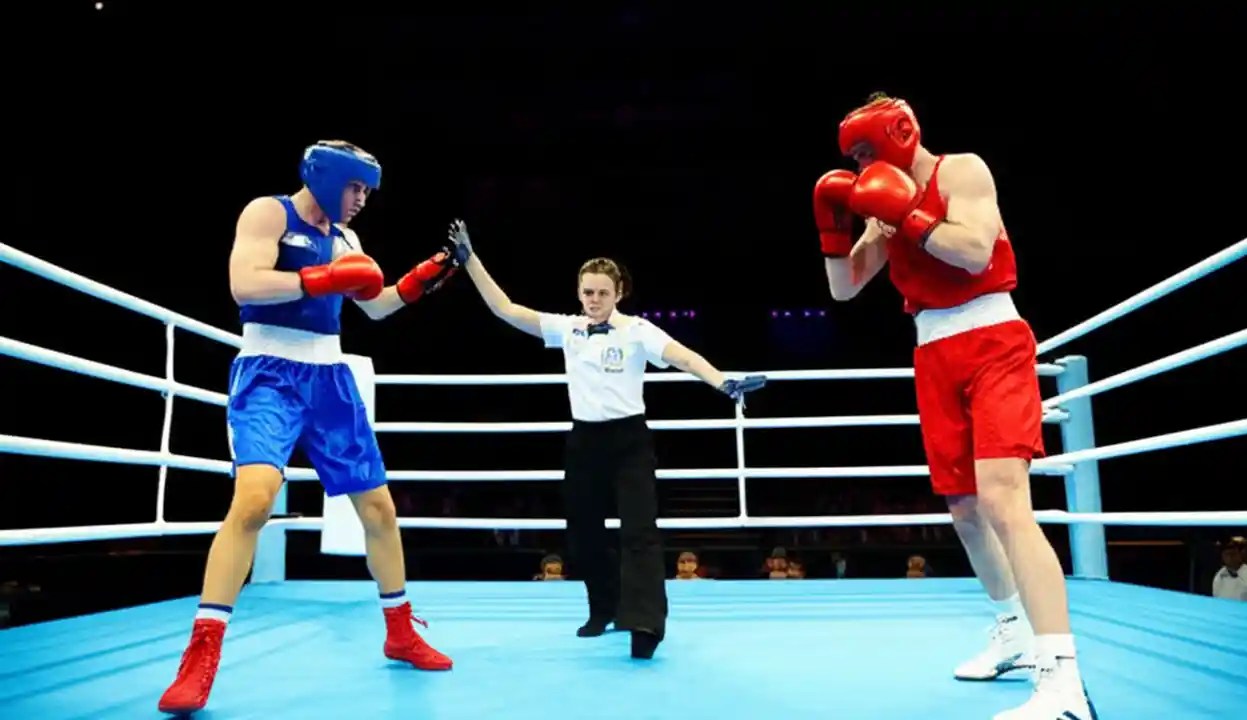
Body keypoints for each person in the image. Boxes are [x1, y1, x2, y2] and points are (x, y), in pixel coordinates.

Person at [811, 93, 1097, 720]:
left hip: (992, 337)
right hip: (933, 350)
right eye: (853, 156)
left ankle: (1064, 682)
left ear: (899, 130)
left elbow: (972, 251)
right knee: (965, 508)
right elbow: (843, 289)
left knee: (1002, 499)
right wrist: (836, 228)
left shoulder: (961, 171)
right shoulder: (875, 198)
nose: (860, 164)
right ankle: (1014, 631)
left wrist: (907, 213)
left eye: (865, 149)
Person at [158, 140, 458, 715]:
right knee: (254, 501)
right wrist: (317, 279)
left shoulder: (348, 240)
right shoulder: (270, 212)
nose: (362, 200)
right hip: (268, 371)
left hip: (330, 377)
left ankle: (400, 631)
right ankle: (199, 657)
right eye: (356, 188)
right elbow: (244, 285)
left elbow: (374, 304)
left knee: (379, 509)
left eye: (367, 191)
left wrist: (424, 279)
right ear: (327, 179)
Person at [446, 219, 764, 659]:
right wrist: (471, 261)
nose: (594, 300)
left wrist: (720, 381)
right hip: (584, 441)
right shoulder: (568, 329)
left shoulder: (639, 331)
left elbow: (685, 357)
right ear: (579, 293)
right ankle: (605, 609)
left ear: (618, 294)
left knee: (640, 532)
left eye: (602, 293)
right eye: (587, 292)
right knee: (583, 534)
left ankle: (646, 625)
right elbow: (506, 309)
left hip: (630, 441)